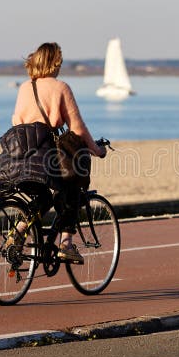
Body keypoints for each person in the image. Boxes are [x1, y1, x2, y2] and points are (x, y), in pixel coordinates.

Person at [10, 42, 106, 263]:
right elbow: (77, 128)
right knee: (72, 189)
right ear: (54, 63)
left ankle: (18, 230)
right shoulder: (60, 87)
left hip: (23, 156)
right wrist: (96, 149)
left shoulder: (24, 87)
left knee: (44, 197)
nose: (60, 66)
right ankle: (66, 244)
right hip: (48, 156)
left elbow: (17, 122)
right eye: (59, 62)